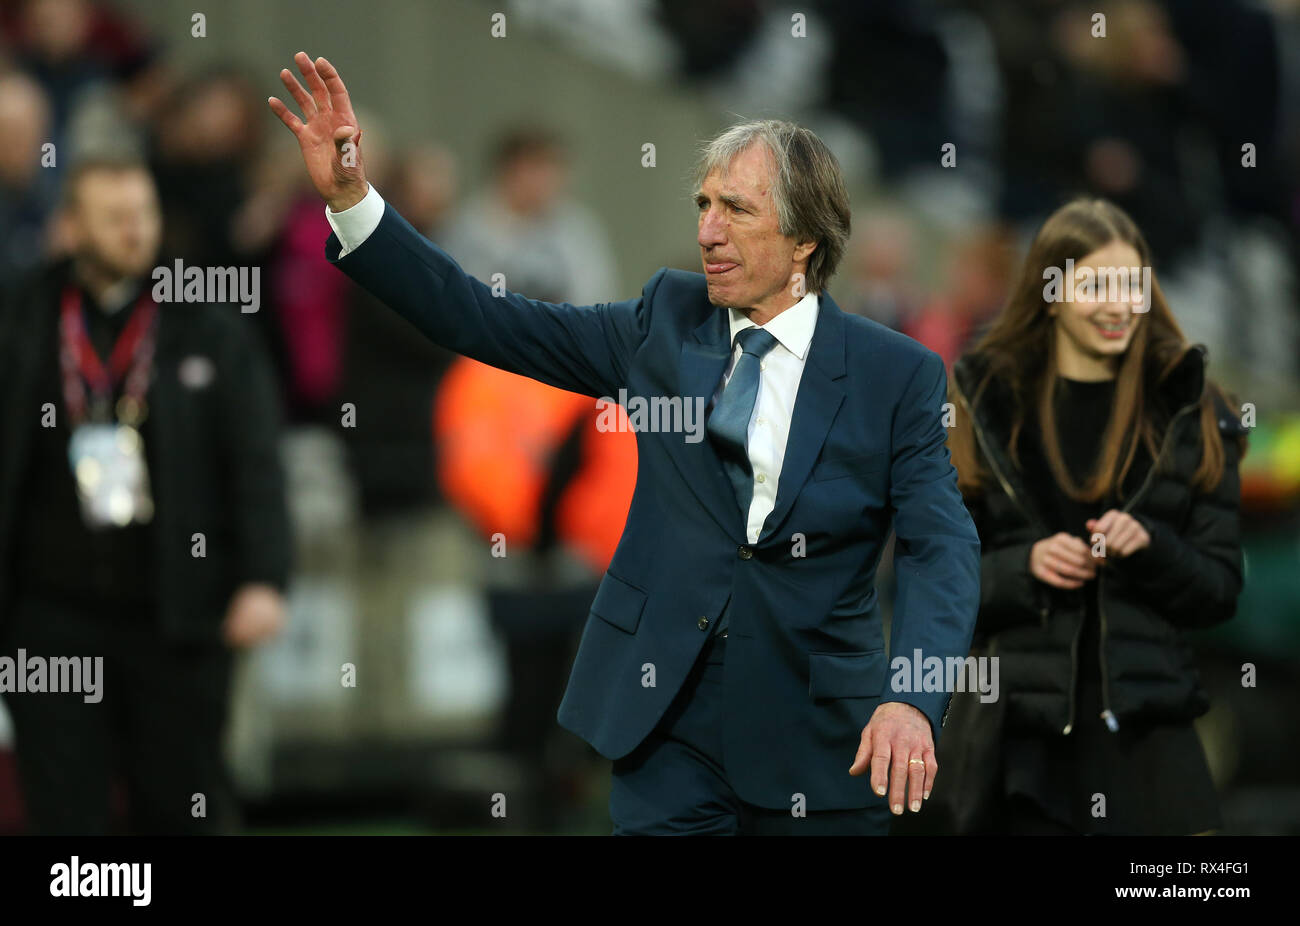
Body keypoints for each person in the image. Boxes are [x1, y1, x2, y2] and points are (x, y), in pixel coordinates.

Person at [269, 52, 980, 835]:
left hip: (820, 735)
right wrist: (352, 202)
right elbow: (479, 317)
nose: (707, 230)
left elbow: (939, 547)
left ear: (807, 238)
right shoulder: (662, 322)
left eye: (736, 210)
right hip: (662, 718)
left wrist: (913, 697)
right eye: (703, 205)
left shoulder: (897, 375)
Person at [937, 198, 1248, 835]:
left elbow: (1219, 592)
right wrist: (1024, 565)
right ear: (1051, 292)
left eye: (1133, 285)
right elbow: (938, 581)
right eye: (1097, 285)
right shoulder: (986, 407)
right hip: (1018, 742)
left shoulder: (1194, 411)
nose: (1120, 304)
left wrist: (1154, 545)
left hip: (1150, 737)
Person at [0, 156, 292, 834]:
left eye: (145, 215)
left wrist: (264, 579)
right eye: (114, 218)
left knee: (182, 803)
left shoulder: (208, 326)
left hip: (179, 615)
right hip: (50, 618)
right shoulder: (20, 320)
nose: (136, 232)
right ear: (71, 228)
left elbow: (256, 462)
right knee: (65, 812)